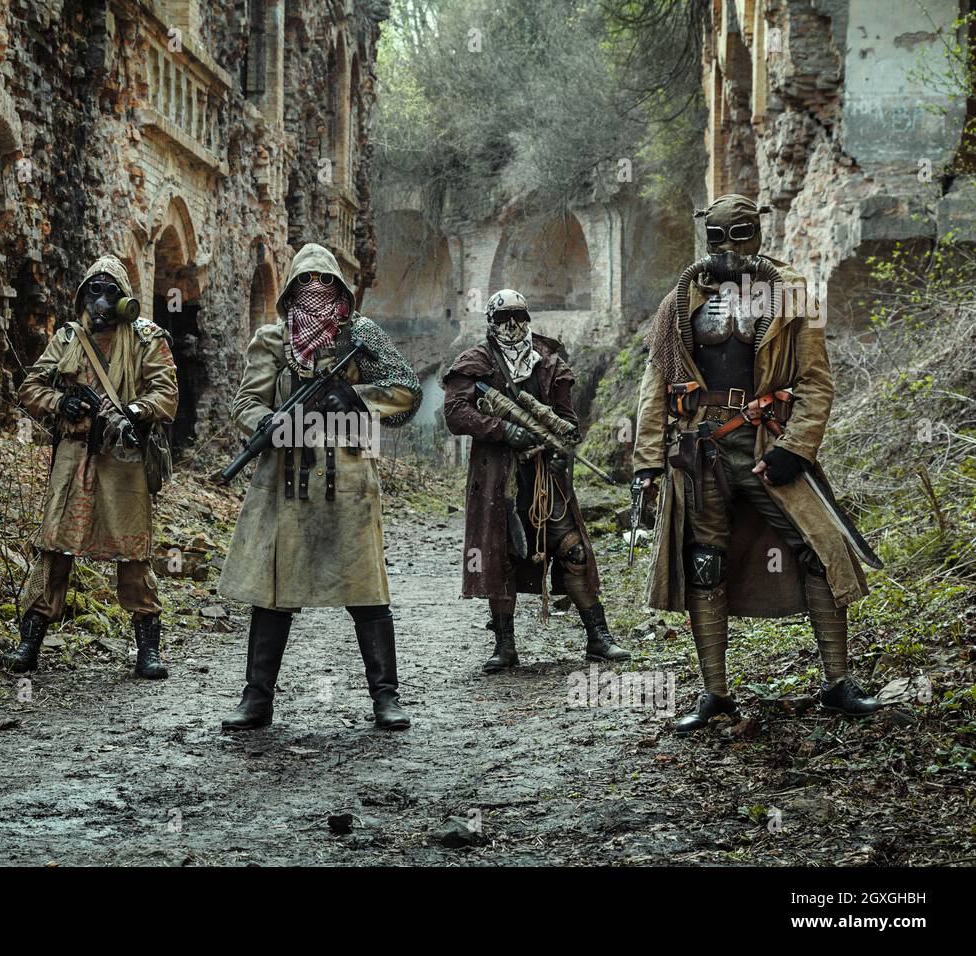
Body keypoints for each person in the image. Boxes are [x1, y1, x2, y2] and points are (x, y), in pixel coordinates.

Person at [631, 195, 881, 733]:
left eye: (739, 234)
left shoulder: (793, 296)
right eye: (716, 238)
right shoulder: (680, 299)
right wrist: (647, 461)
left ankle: (838, 683)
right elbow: (657, 381)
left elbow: (815, 381)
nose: (727, 249)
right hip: (700, 449)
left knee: (819, 549)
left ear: (758, 234)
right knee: (705, 562)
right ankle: (715, 694)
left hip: (768, 443)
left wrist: (797, 447)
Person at [217, 243, 421, 731]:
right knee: (275, 591)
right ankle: (257, 698)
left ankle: (386, 697)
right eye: (304, 281)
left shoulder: (361, 336)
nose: (315, 291)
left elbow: (407, 393)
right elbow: (245, 403)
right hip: (285, 479)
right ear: (289, 291)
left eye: (324, 281)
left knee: (366, 588)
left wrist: (353, 397)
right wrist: (268, 422)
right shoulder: (271, 340)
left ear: (341, 289)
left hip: (349, 476)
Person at [4, 255, 178, 678]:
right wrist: (61, 401)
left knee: (133, 552)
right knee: (54, 547)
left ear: (124, 300)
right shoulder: (69, 338)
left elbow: (166, 394)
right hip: (74, 455)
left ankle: (147, 651)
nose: (100, 301)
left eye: (110, 292)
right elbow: (30, 387)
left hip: (123, 458)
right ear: (82, 295)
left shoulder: (145, 338)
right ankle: (29, 643)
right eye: (93, 291)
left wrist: (135, 411)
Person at [443, 289, 630, 671]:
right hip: (499, 477)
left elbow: (567, 417)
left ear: (528, 318)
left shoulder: (548, 361)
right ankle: (505, 646)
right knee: (503, 553)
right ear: (491, 323)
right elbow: (456, 413)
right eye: (503, 317)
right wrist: (501, 430)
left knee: (572, 548)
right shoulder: (475, 362)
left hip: (546, 474)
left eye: (519, 316)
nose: (512, 325)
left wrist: (562, 446)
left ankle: (598, 638)